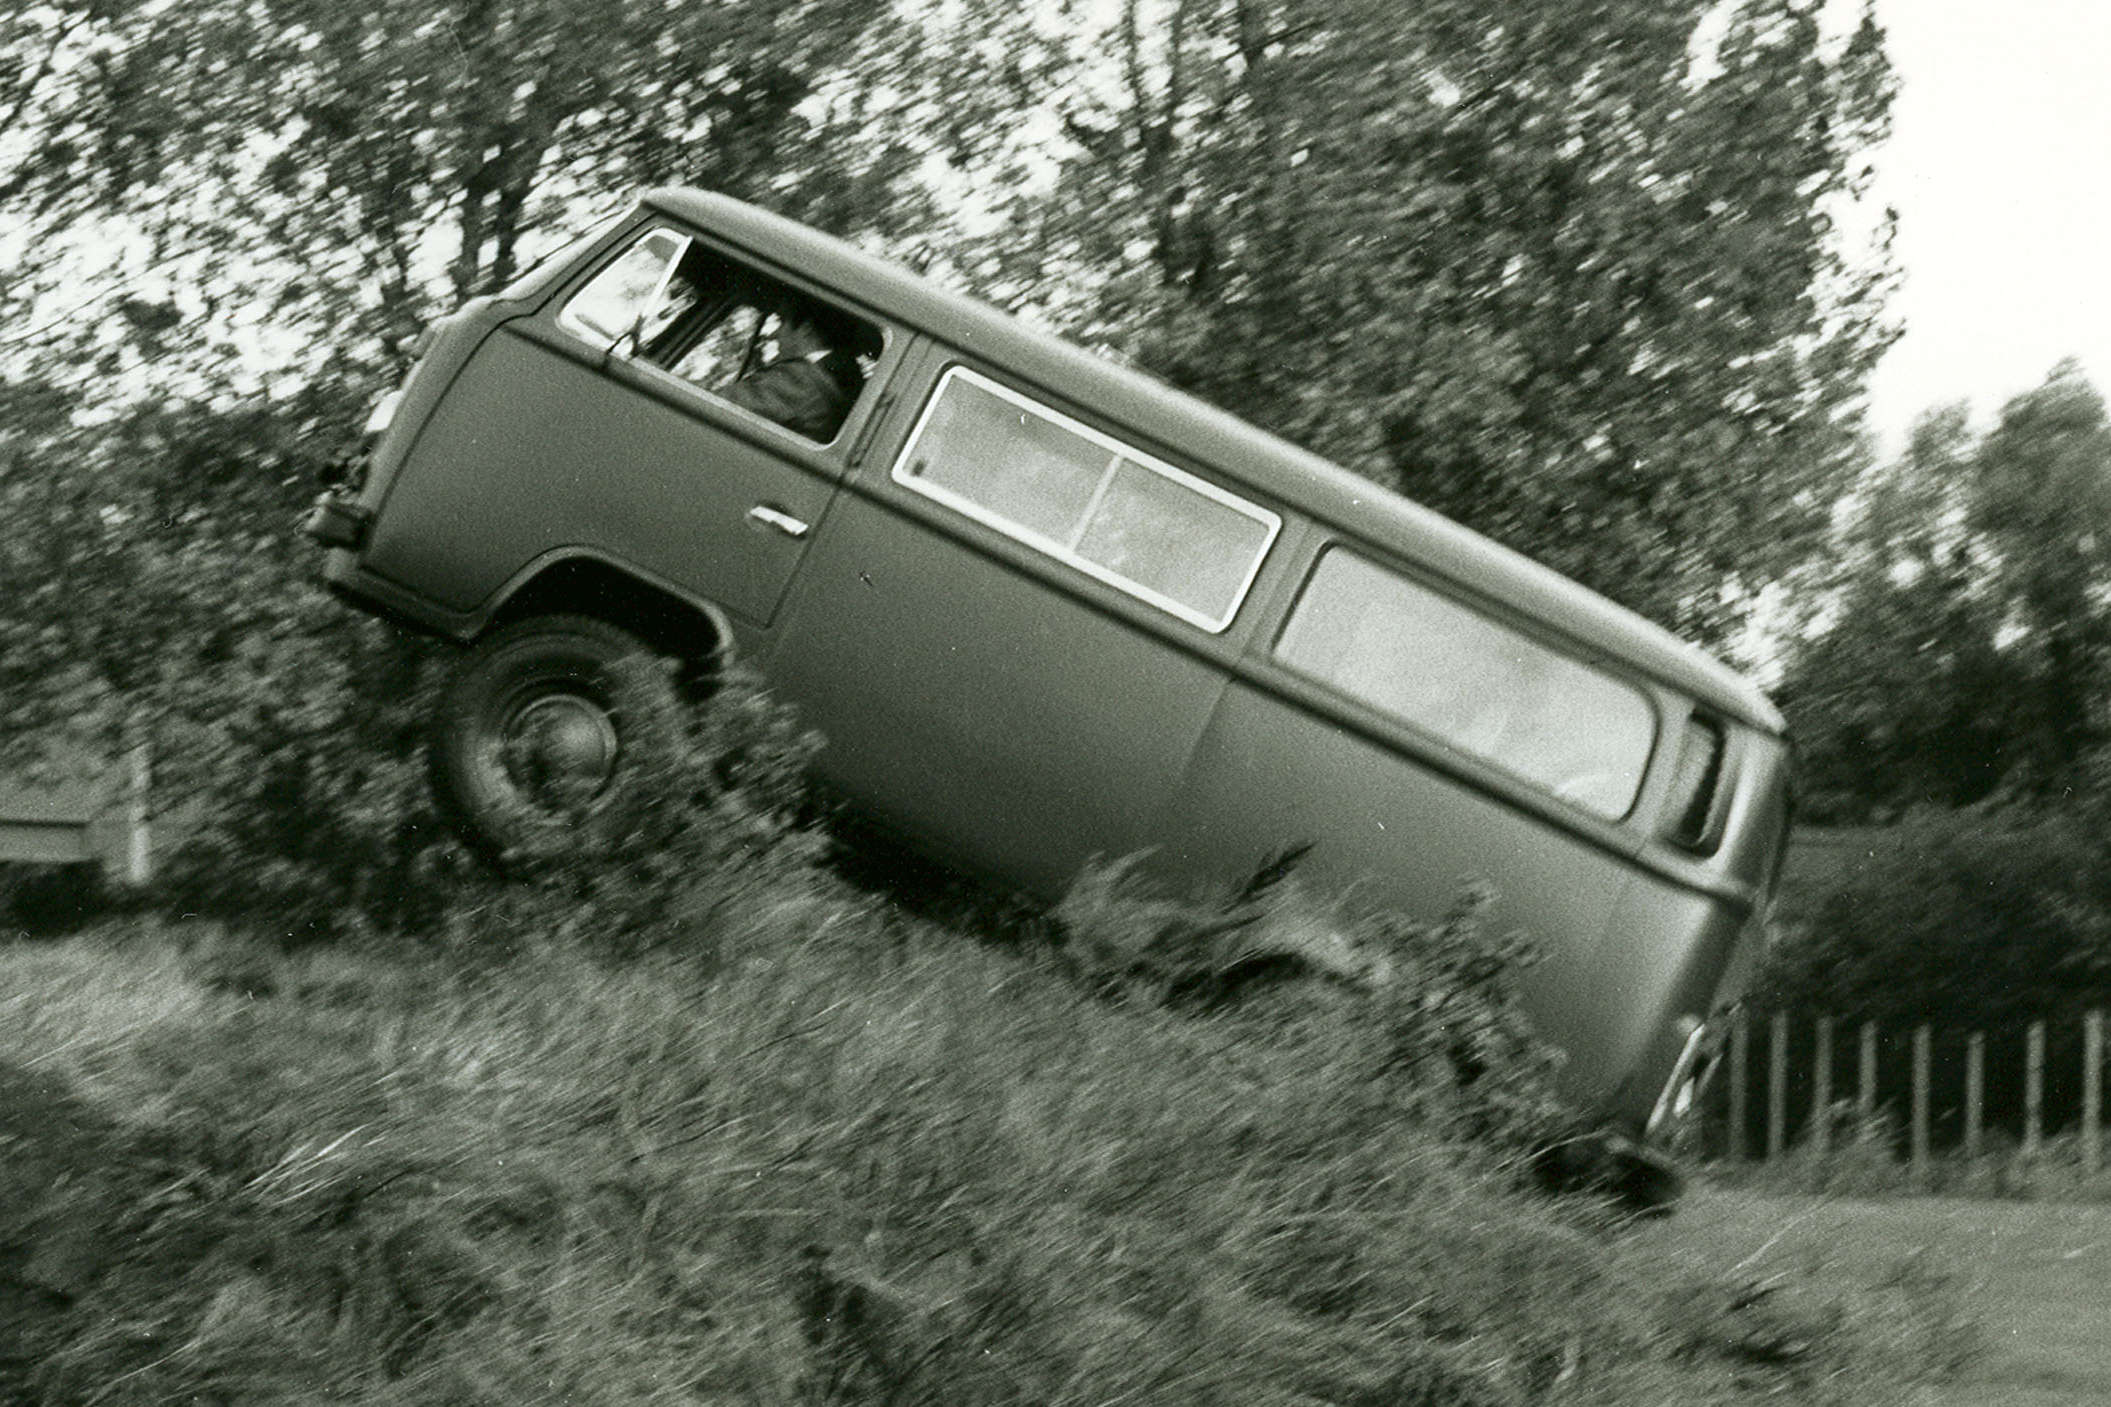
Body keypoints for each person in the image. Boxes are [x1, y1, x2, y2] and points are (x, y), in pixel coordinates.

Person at [716, 297, 866, 441]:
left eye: (782, 322)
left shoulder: (797, 379)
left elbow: (716, 407)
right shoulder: (842, 381)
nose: (775, 334)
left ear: (806, 329)